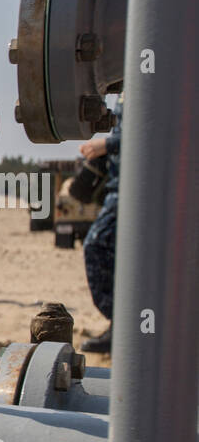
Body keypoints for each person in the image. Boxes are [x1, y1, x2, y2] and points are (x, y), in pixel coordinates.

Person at [80, 98, 122, 353]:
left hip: (133, 187)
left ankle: (123, 323)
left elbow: (158, 131)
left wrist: (106, 145)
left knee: (96, 245)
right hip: (122, 182)